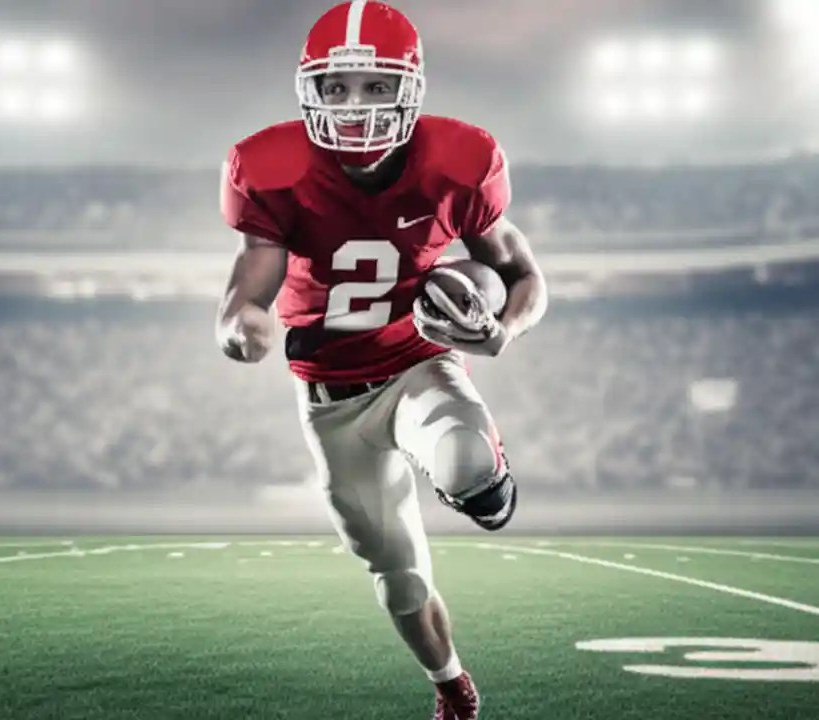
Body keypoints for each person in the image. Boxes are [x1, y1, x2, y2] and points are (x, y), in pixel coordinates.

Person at [215, 2, 547, 718]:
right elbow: (250, 288)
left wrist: (503, 330)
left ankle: (487, 472)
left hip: (417, 366)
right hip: (331, 401)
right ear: (311, 91)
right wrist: (241, 326)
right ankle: (452, 684)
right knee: (398, 576)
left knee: (465, 463)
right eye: (337, 89)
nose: (355, 107)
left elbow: (525, 275)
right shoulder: (270, 167)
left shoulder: (459, 161)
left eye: (375, 86)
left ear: (411, 90)